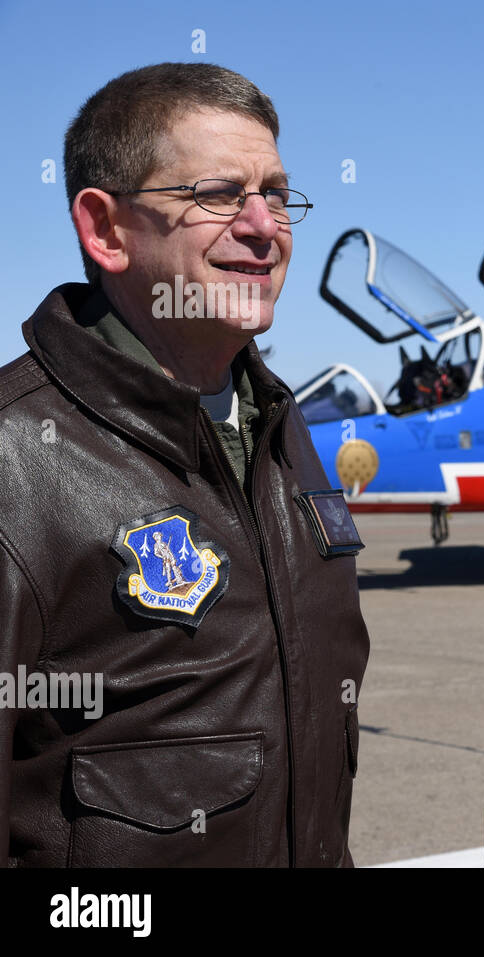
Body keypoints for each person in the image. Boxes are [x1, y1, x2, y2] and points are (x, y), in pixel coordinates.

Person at [0, 63, 370, 866]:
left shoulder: (282, 429)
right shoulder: (14, 459)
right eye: (218, 195)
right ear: (105, 229)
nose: (265, 226)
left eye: (277, 193)